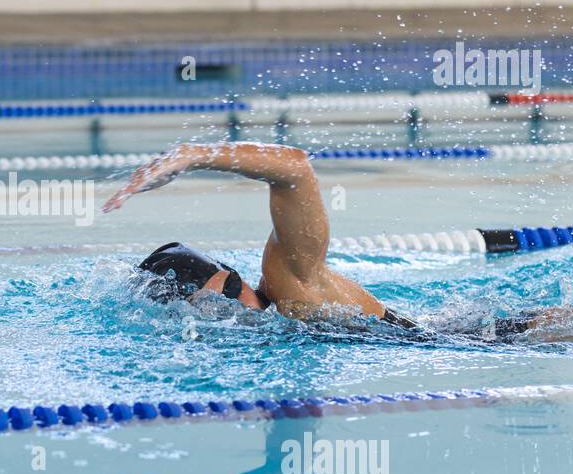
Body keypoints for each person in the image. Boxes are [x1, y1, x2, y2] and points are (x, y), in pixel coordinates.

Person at [103, 141, 549, 339]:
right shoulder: (272, 318)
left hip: (485, 340)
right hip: (449, 335)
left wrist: (197, 155)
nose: (212, 315)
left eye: (211, 303)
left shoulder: (287, 286)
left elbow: (296, 169)